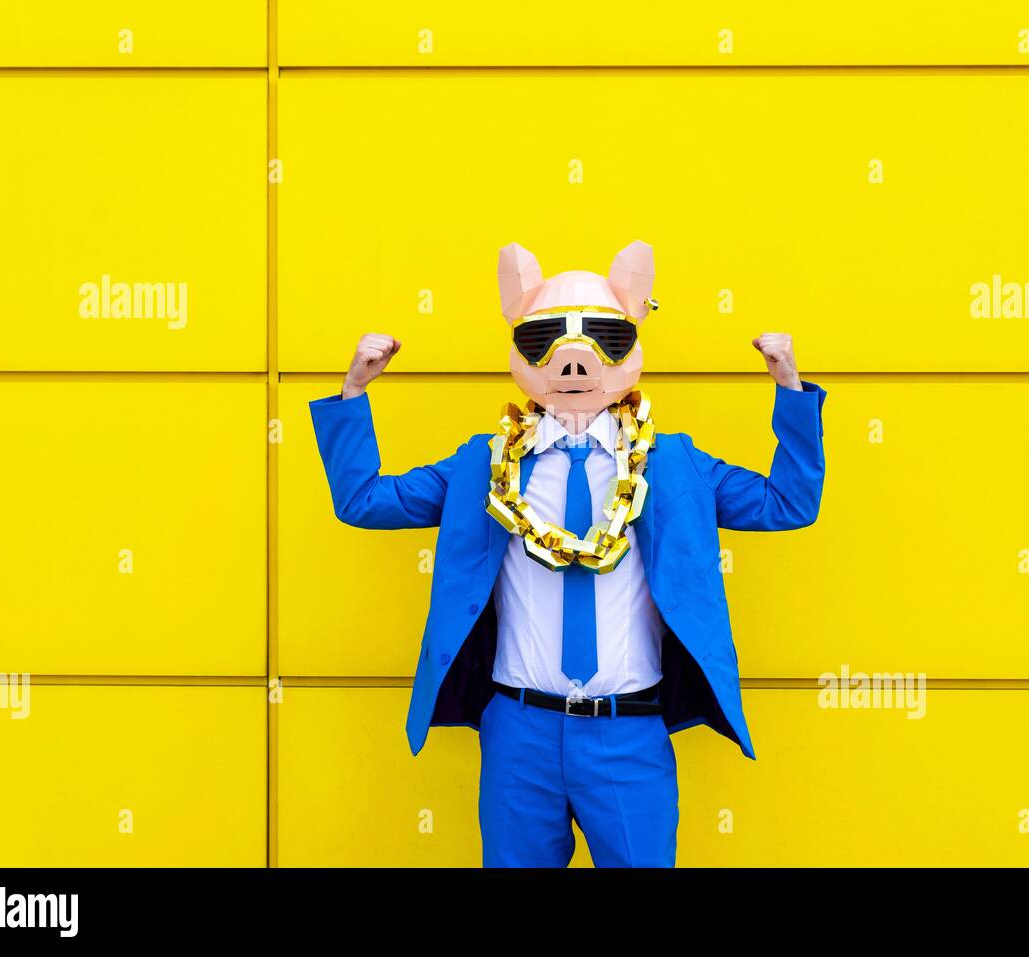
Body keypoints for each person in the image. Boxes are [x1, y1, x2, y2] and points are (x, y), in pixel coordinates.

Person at [310, 240, 827, 866]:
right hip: (518, 731)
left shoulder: (677, 465)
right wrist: (353, 392)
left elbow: (786, 505)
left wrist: (791, 390)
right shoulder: (484, 464)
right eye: (543, 342)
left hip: (629, 733)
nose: (572, 364)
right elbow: (365, 500)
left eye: (603, 339)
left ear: (630, 348)